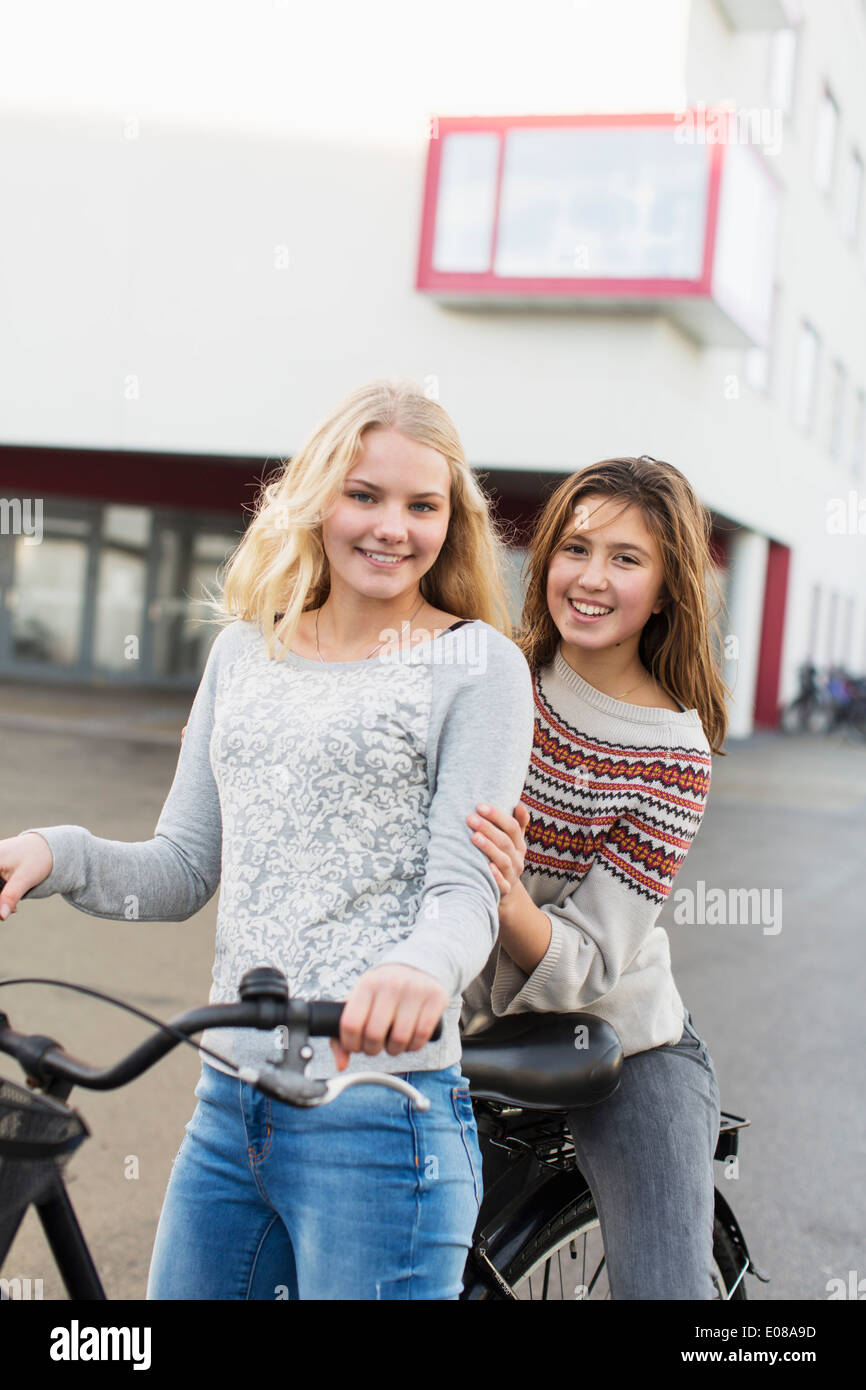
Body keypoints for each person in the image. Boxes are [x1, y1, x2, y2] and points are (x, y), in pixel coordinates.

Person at [0, 379, 535, 1301]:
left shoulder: (478, 666)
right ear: (317, 497)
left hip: (380, 1112)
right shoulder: (248, 652)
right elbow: (179, 869)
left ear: (455, 522)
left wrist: (419, 970)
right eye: (364, 495)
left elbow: (465, 891)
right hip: (229, 1106)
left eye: (423, 505)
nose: (391, 527)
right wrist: (56, 854)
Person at [460, 455, 730, 1300]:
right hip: (454, 1016)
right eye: (576, 549)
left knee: (665, 1291)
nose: (591, 578)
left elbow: (588, 959)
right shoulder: (495, 673)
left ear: (669, 586)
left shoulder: (674, 753)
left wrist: (505, 894)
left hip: (620, 1034)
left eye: (626, 558)